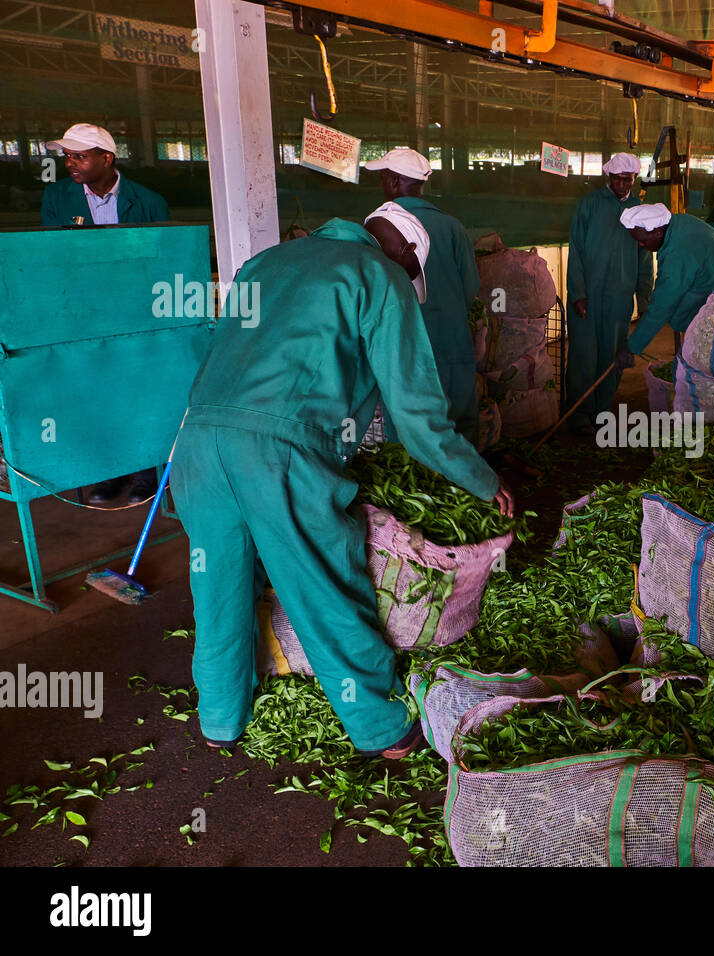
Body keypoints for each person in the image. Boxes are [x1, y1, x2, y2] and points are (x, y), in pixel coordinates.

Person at [171, 202, 512, 758]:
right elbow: (418, 415)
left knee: (218, 583)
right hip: (276, 452)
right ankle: (380, 726)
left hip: (196, 444)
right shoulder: (379, 274)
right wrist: (479, 478)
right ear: (403, 252)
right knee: (324, 579)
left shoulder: (265, 263)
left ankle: (219, 717)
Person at [42, 124, 171, 505]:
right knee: (99, 393)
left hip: (138, 314)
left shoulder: (148, 202)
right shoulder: (58, 197)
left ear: (106, 158)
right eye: (67, 156)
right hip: (86, 314)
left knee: (141, 392)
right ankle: (111, 473)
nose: (70, 163)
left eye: (79, 156)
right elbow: (54, 255)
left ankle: (148, 473)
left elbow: (162, 260)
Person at [363, 146, 480, 444]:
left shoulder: (380, 226)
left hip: (405, 342)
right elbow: (471, 288)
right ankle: (466, 483)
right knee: (458, 423)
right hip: (452, 339)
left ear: (392, 182)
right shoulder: (454, 227)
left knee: (408, 428)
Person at [565, 153, 655, 435]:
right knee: (583, 354)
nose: (621, 184)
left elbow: (644, 259)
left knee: (613, 356)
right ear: (608, 177)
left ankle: (601, 410)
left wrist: (644, 299)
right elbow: (576, 250)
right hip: (587, 295)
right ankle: (579, 413)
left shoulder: (640, 210)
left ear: (634, 179)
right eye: (616, 179)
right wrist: (577, 292)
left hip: (619, 296)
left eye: (627, 180)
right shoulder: (589, 205)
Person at [618, 203, 714, 361]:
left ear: (658, 232)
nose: (640, 245)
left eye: (642, 241)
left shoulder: (677, 253)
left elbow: (662, 304)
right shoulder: (677, 223)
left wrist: (632, 347)